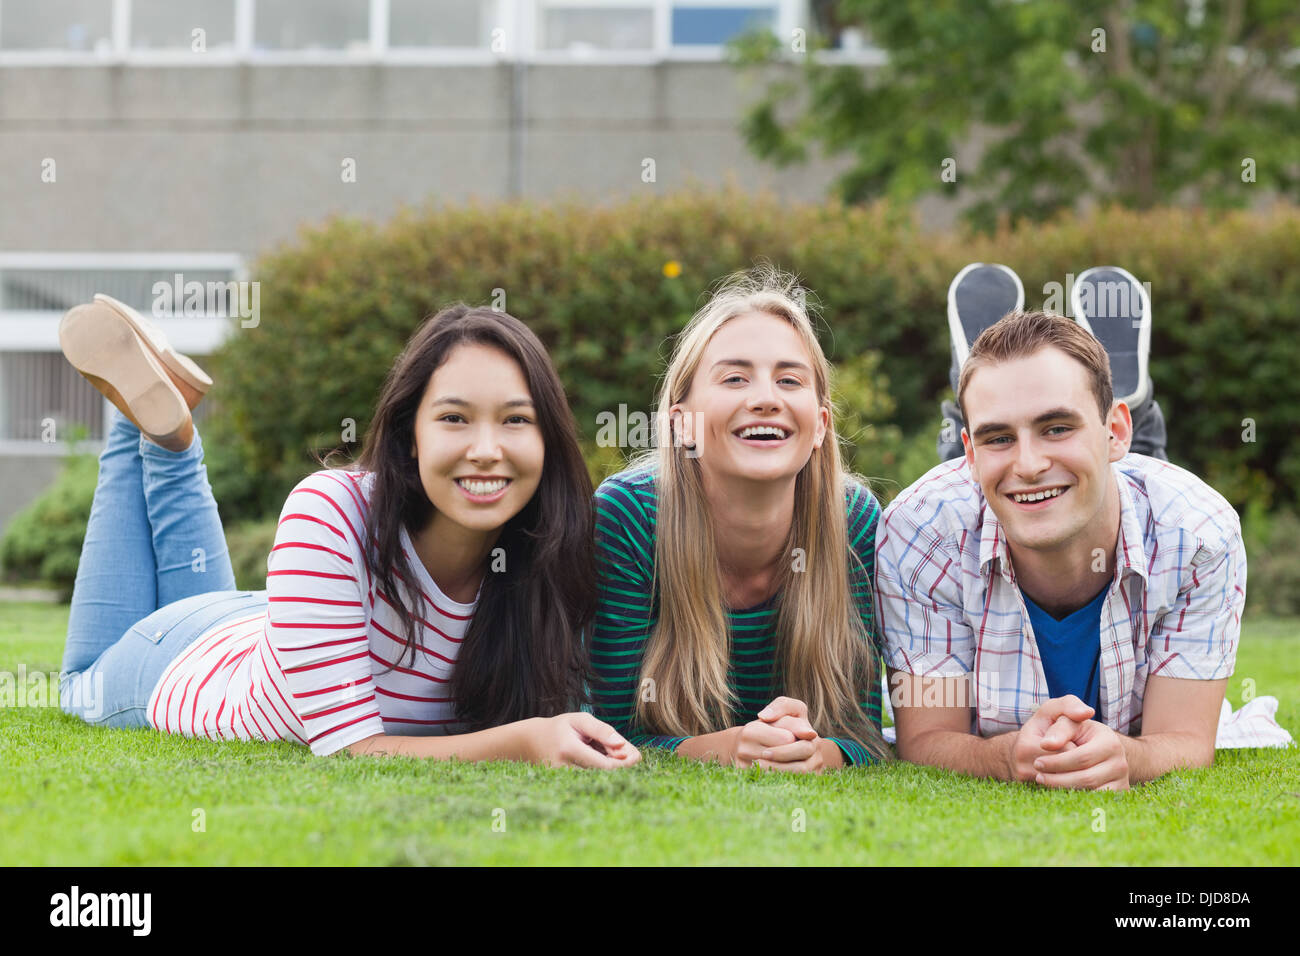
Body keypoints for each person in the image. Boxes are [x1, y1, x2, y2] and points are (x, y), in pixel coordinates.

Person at [56, 294, 640, 769]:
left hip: (263, 626)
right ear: (410, 436)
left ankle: (165, 422)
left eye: (516, 419)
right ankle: (149, 424)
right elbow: (352, 749)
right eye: (454, 418)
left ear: (547, 439)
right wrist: (525, 742)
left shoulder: (555, 548)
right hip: (176, 666)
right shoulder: (333, 509)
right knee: (76, 683)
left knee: (222, 611)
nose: (486, 451)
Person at [877, 310, 1244, 790]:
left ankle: (1136, 407)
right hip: (970, 513)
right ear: (968, 453)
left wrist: (1128, 756)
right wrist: (1007, 757)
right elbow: (926, 740)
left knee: (1084, 487)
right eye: (998, 437)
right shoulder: (918, 533)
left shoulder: (1200, 537)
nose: (1028, 464)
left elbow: (1185, 741)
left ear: (1115, 432)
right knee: (1034, 490)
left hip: (1141, 497)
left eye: (1056, 428)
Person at [589, 266, 890, 772]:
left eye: (789, 380)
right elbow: (608, 732)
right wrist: (731, 749)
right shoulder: (629, 518)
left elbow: (863, 732)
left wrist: (820, 753)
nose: (766, 398)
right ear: (680, 422)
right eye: (734, 378)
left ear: (820, 425)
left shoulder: (853, 520)